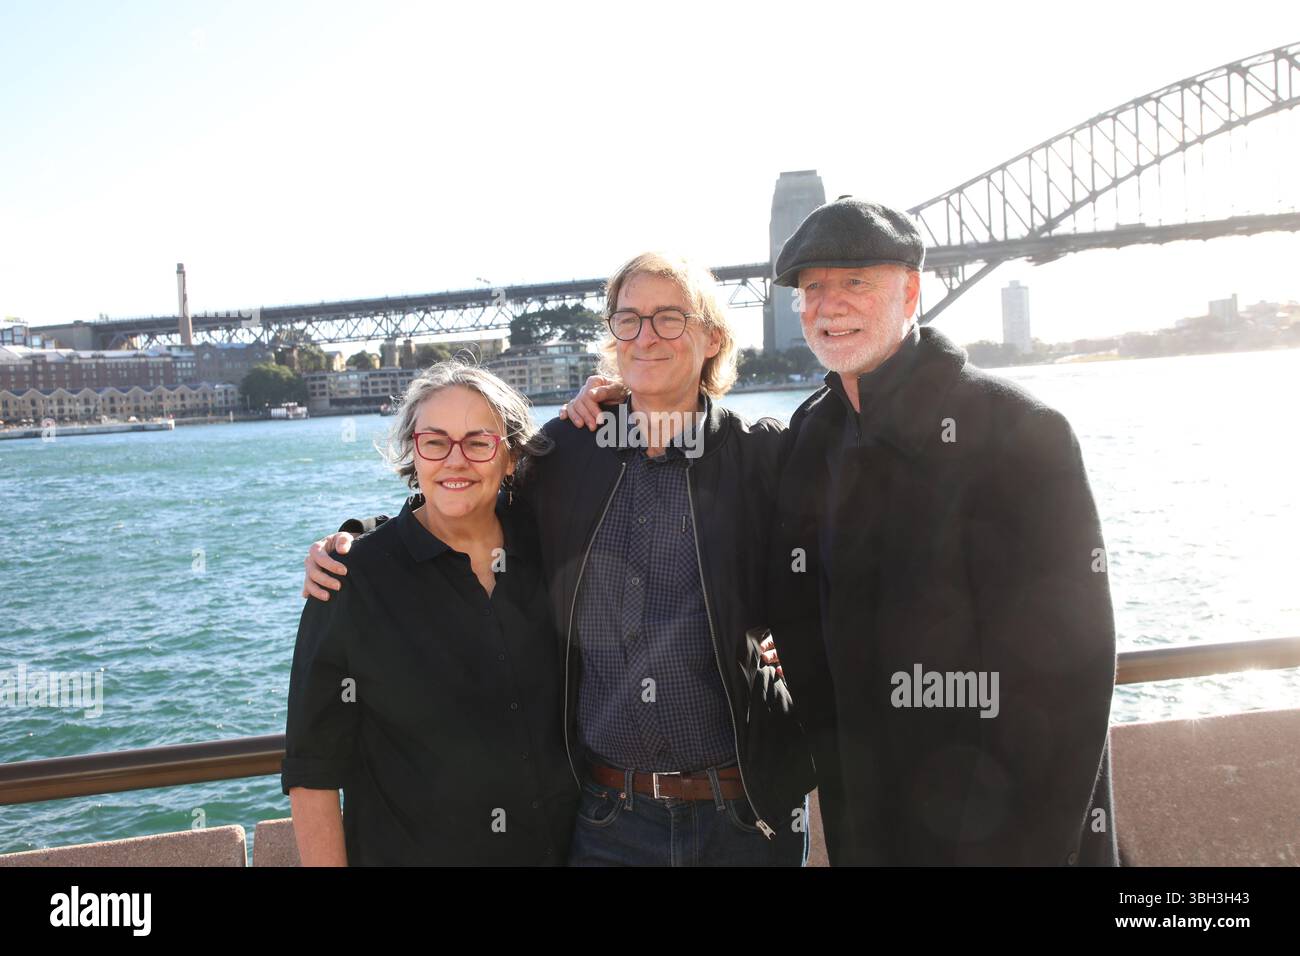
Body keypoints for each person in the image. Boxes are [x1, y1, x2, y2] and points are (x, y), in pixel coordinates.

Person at [562, 199, 1118, 866]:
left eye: (856, 282)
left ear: (910, 291)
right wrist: (622, 401)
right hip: (866, 824)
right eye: (814, 288)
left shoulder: (1018, 434)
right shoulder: (809, 437)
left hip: (997, 828)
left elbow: (1072, 681)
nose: (831, 305)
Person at [301, 253, 815, 866]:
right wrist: (360, 538)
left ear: (713, 338)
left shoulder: (764, 458)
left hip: (745, 815)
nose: (645, 336)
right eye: (628, 320)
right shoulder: (567, 453)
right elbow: (463, 495)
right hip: (608, 823)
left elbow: (833, 580)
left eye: (669, 319)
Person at [282, 362, 577, 865]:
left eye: (478, 442)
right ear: (412, 455)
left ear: (511, 458)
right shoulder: (351, 579)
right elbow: (314, 769)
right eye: (435, 442)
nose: (455, 461)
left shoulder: (551, 550)